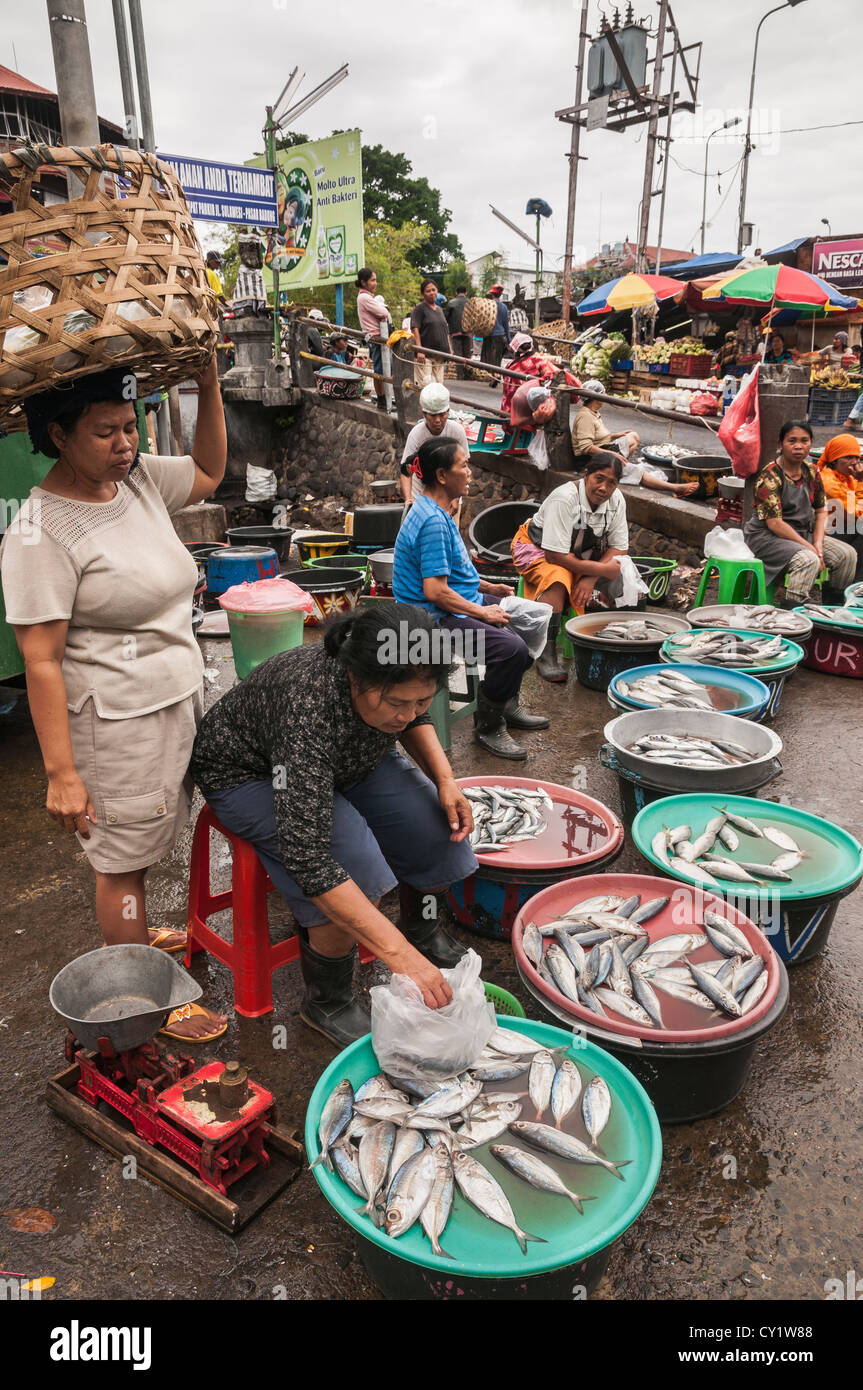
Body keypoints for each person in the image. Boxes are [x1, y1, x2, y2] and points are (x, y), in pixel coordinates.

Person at [0, 361, 229, 1042]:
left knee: (156, 839)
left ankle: (131, 944)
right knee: (122, 863)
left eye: (130, 427)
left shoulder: (135, 483)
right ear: (58, 434)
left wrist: (209, 383)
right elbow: (40, 660)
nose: (125, 444)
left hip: (179, 696)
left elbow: (210, 473)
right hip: (117, 723)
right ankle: (141, 1000)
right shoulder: (41, 532)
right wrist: (62, 775)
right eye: (105, 432)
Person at [189, 603, 476, 1046]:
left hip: (349, 757)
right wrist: (397, 956)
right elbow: (309, 858)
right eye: (397, 702)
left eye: (422, 700)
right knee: (354, 868)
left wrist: (445, 780)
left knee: (435, 828)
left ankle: (423, 930)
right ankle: (328, 1000)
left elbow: (412, 715)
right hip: (251, 774)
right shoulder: (309, 705)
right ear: (356, 678)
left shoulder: (396, 685)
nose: (408, 713)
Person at [393, 438, 548, 760]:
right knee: (512, 649)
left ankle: (506, 704)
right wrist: (482, 611)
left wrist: (488, 588)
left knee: (535, 619)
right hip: (430, 620)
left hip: (451, 607)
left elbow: (451, 573)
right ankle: (488, 725)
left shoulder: (436, 510)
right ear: (441, 475)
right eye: (463, 465)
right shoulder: (432, 521)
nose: (470, 472)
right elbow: (435, 592)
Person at [512, 453, 630, 681]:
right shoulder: (564, 498)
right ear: (586, 475)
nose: (604, 488)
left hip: (579, 554)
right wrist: (598, 570)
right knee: (558, 577)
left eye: (612, 483)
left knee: (623, 574)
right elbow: (555, 555)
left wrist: (589, 578)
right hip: (538, 547)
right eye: (599, 478)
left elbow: (619, 549)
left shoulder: (617, 502)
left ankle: (604, 645)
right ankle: (546, 654)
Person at [743, 419, 857, 608]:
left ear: (811, 443)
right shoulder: (770, 475)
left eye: (804, 441)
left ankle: (833, 608)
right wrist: (811, 549)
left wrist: (818, 545)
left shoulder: (812, 472)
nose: (798, 446)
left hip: (802, 533)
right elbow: (775, 524)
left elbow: (821, 512)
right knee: (808, 559)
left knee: (847, 555)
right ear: (781, 444)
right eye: (792, 441)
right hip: (766, 537)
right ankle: (792, 613)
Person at [399, 383, 469, 505]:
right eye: (432, 415)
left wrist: (455, 499)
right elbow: (406, 470)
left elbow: (463, 467)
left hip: (451, 496)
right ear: (424, 413)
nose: (437, 420)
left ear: (448, 411)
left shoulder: (457, 431)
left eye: (442, 415)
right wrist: (408, 499)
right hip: (422, 498)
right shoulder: (416, 435)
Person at [816, 433, 863, 570]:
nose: (854, 462)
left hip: (845, 528)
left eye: (856, 457)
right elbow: (856, 514)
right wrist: (861, 481)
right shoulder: (829, 482)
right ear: (834, 461)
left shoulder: (847, 478)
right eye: (848, 457)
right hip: (827, 534)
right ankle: (855, 580)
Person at [356, 267, 391, 412]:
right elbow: (383, 312)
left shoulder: (366, 297)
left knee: (382, 370)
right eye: (372, 280)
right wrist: (383, 314)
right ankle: (382, 400)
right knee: (380, 370)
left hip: (377, 336)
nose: (375, 283)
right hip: (375, 337)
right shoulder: (364, 297)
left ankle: (384, 400)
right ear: (363, 282)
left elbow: (384, 314)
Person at [411, 279, 451, 389]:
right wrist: (420, 350)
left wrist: (449, 349)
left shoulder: (439, 310)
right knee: (425, 386)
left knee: (438, 387)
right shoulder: (419, 309)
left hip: (440, 355)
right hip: (425, 356)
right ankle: (421, 407)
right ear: (423, 293)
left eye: (434, 290)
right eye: (428, 291)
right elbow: (415, 329)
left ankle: (434, 407)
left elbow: (445, 330)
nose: (432, 293)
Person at [444, 286, 472, 380]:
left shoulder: (451, 303)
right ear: (466, 293)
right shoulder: (470, 302)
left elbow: (446, 318)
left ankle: (460, 375)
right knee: (467, 354)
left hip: (455, 332)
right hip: (468, 331)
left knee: (458, 353)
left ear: (456, 293)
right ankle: (467, 374)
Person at [481, 285, 510, 368]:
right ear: (500, 295)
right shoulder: (504, 307)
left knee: (487, 358)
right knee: (496, 359)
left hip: (488, 334)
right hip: (499, 336)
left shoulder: (487, 305)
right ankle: (495, 376)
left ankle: (485, 375)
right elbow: (506, 325)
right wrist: (508, 340)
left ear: (492, 294)